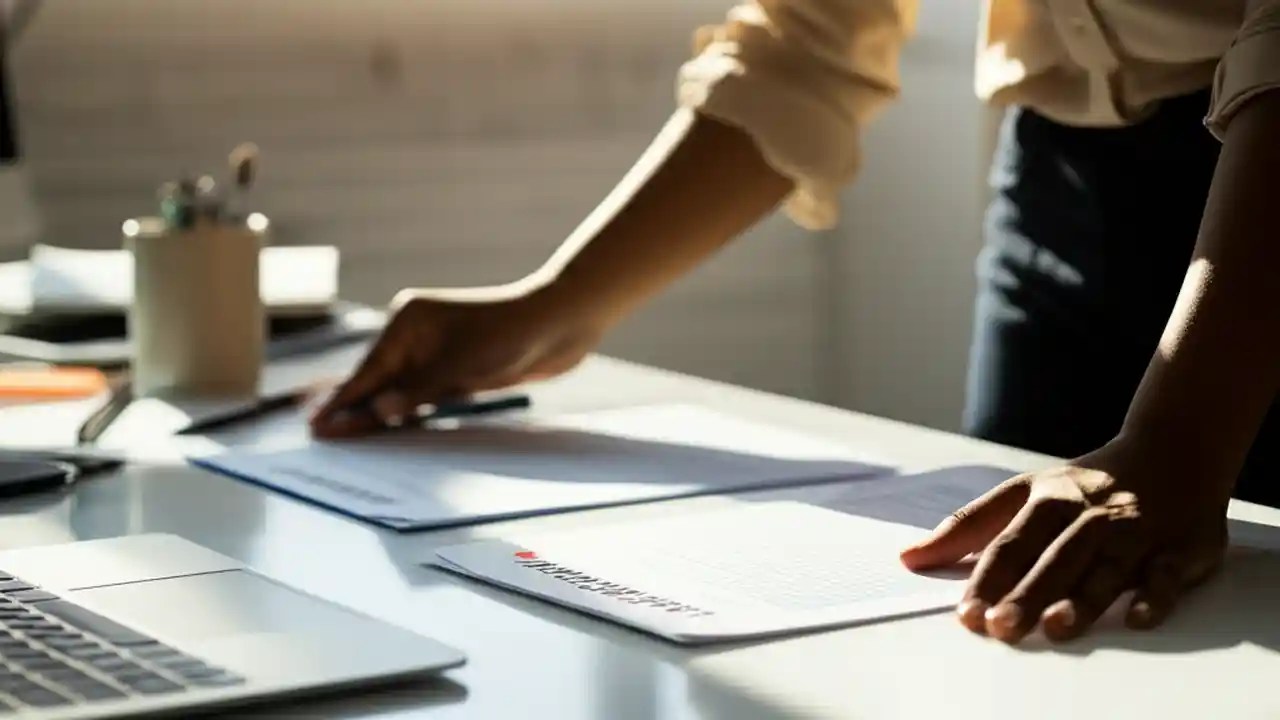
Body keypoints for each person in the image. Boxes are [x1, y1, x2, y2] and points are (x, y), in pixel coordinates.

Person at [311, 0, 1280, 644]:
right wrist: (551, 309)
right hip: (1057, 180)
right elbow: (804, 41)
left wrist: (1177, 438)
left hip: (1257, 214)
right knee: (1001, 629)